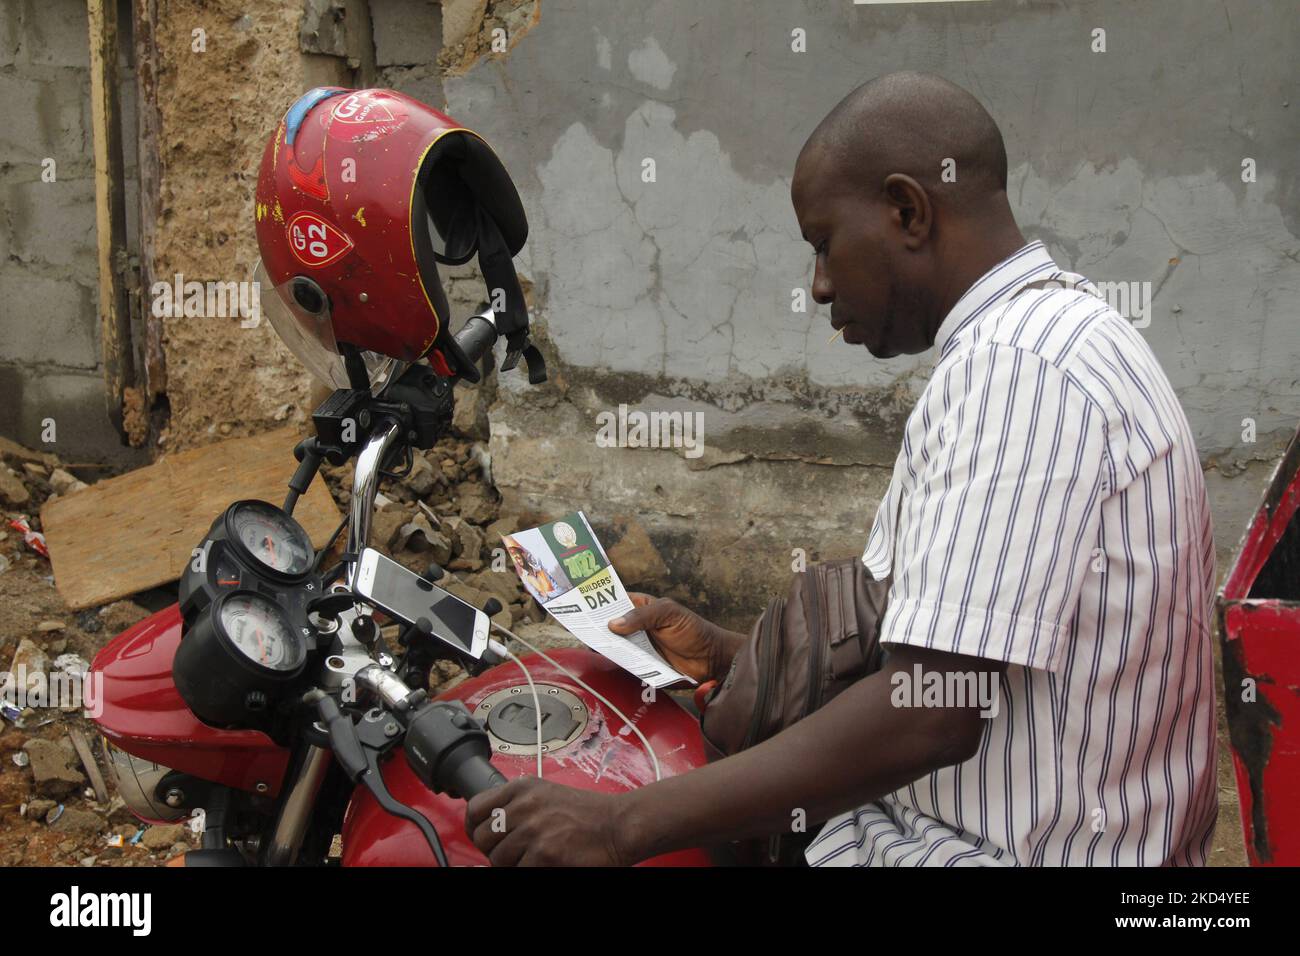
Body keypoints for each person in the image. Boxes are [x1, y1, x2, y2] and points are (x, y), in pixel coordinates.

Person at [465, 71, 1219, 867]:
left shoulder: (1018, 370)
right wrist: (739, 655)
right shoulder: (1065, 335)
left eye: (823, 244)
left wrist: (621, 827)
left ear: (907, 211)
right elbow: (950, 644)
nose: (820, 285)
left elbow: (932, 712)